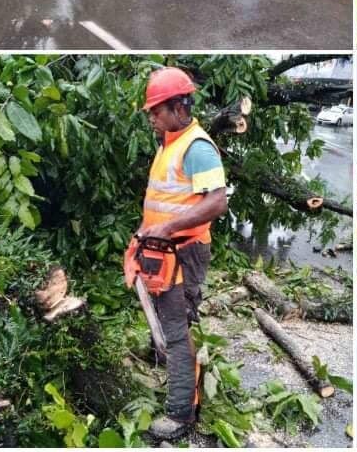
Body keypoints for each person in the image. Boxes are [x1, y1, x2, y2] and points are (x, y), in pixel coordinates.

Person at [133, 67, 227, 440]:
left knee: (176, 330)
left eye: (156, 111)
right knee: (171, 320)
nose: (152, 118)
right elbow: (167, 197)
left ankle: (180, 413)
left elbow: (216, 203)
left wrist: (166, 229)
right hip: (162, 249)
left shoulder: (198, 148)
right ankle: (178, 378)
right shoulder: (170, 142)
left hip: (183, 252)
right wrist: (146, 233)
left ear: (177, 107)